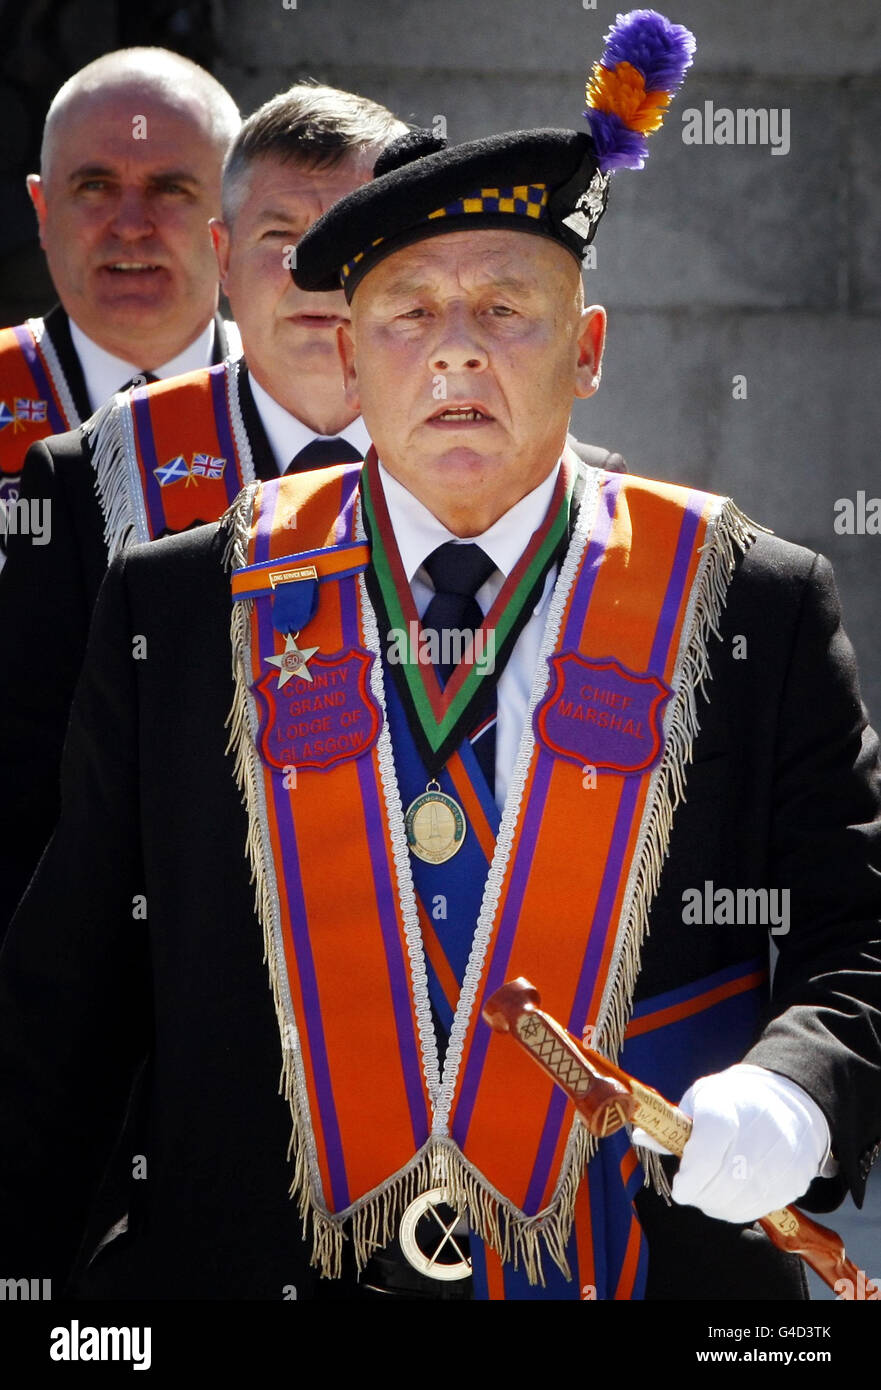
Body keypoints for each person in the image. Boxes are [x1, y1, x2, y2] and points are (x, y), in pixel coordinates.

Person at [1, 10, 878, 1301]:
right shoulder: (182, 608)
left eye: (505, 308)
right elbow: (65, 1007)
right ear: (347, 357)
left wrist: (793, 1098)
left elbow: (853, 943)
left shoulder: (750, 603)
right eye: (408, 312)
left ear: (586, 352)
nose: (457, 346)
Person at [0, 82, 624, 936]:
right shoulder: (89, 482)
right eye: (280, 239)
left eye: (351, 241)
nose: (314, 275)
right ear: (221, 257)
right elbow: (33, 822)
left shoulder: (577, 496)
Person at [0, 47, 241, 526]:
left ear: (235, 217)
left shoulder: (309, 402)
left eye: (171, 189)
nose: (131, 226)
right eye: (95, 187)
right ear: (43, 211)